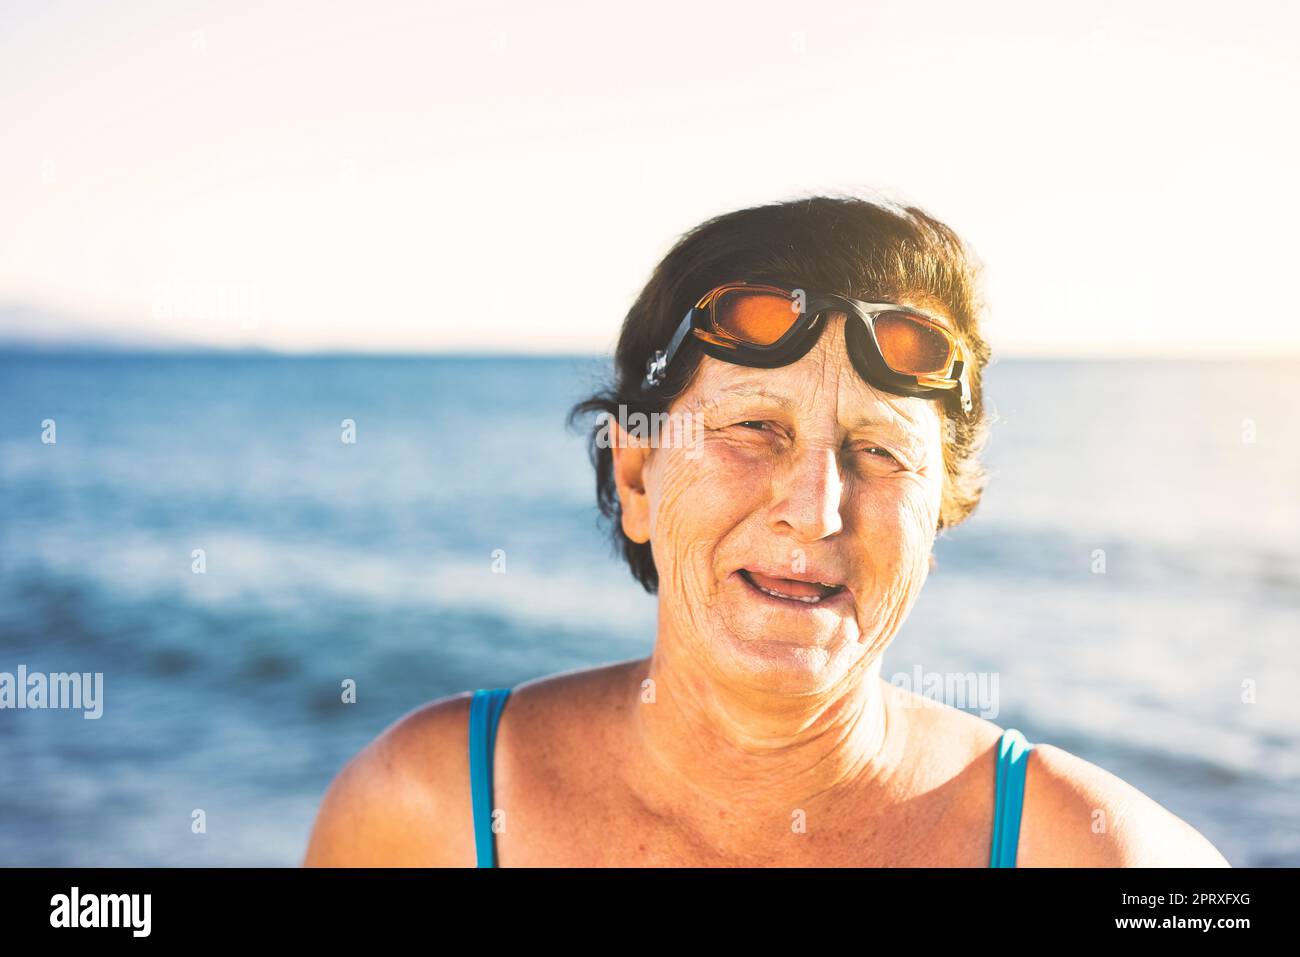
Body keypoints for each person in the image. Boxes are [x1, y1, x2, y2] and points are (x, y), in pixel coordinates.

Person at [303, 195, 1230, 867]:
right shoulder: (426, 813)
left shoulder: (1108, 861)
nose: (816, 508)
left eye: (880, 450)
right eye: (754, 428)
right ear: (635, 474)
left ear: (938, 511)